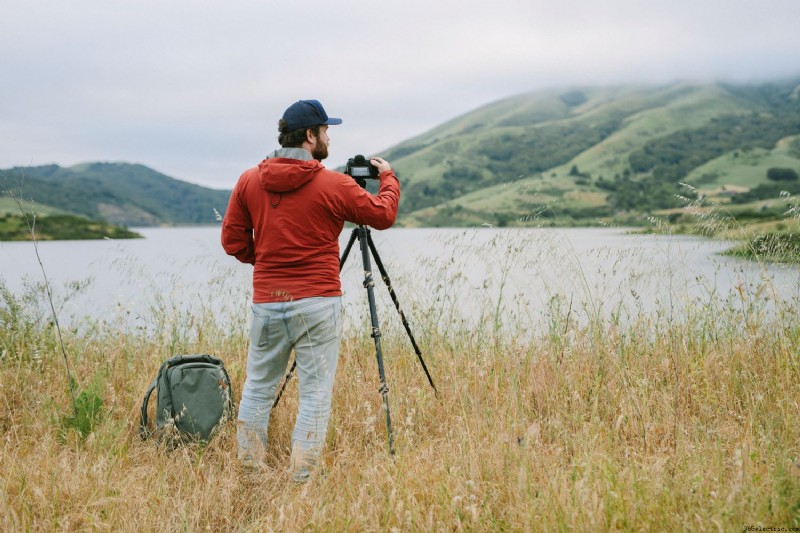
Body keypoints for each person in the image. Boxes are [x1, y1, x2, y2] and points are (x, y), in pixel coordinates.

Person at [221, 99, 400, 481]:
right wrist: (388, 178)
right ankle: (302, 479)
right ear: (309, 136)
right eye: (325, 131)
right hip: (318, 302)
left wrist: (268, 260)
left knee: (257, 388)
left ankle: (251, 473)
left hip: (268, 302)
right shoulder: (334, 184)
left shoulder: (249, 180)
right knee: (315, 393)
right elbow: (383, 215)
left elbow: (233, 241)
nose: (328, 137)